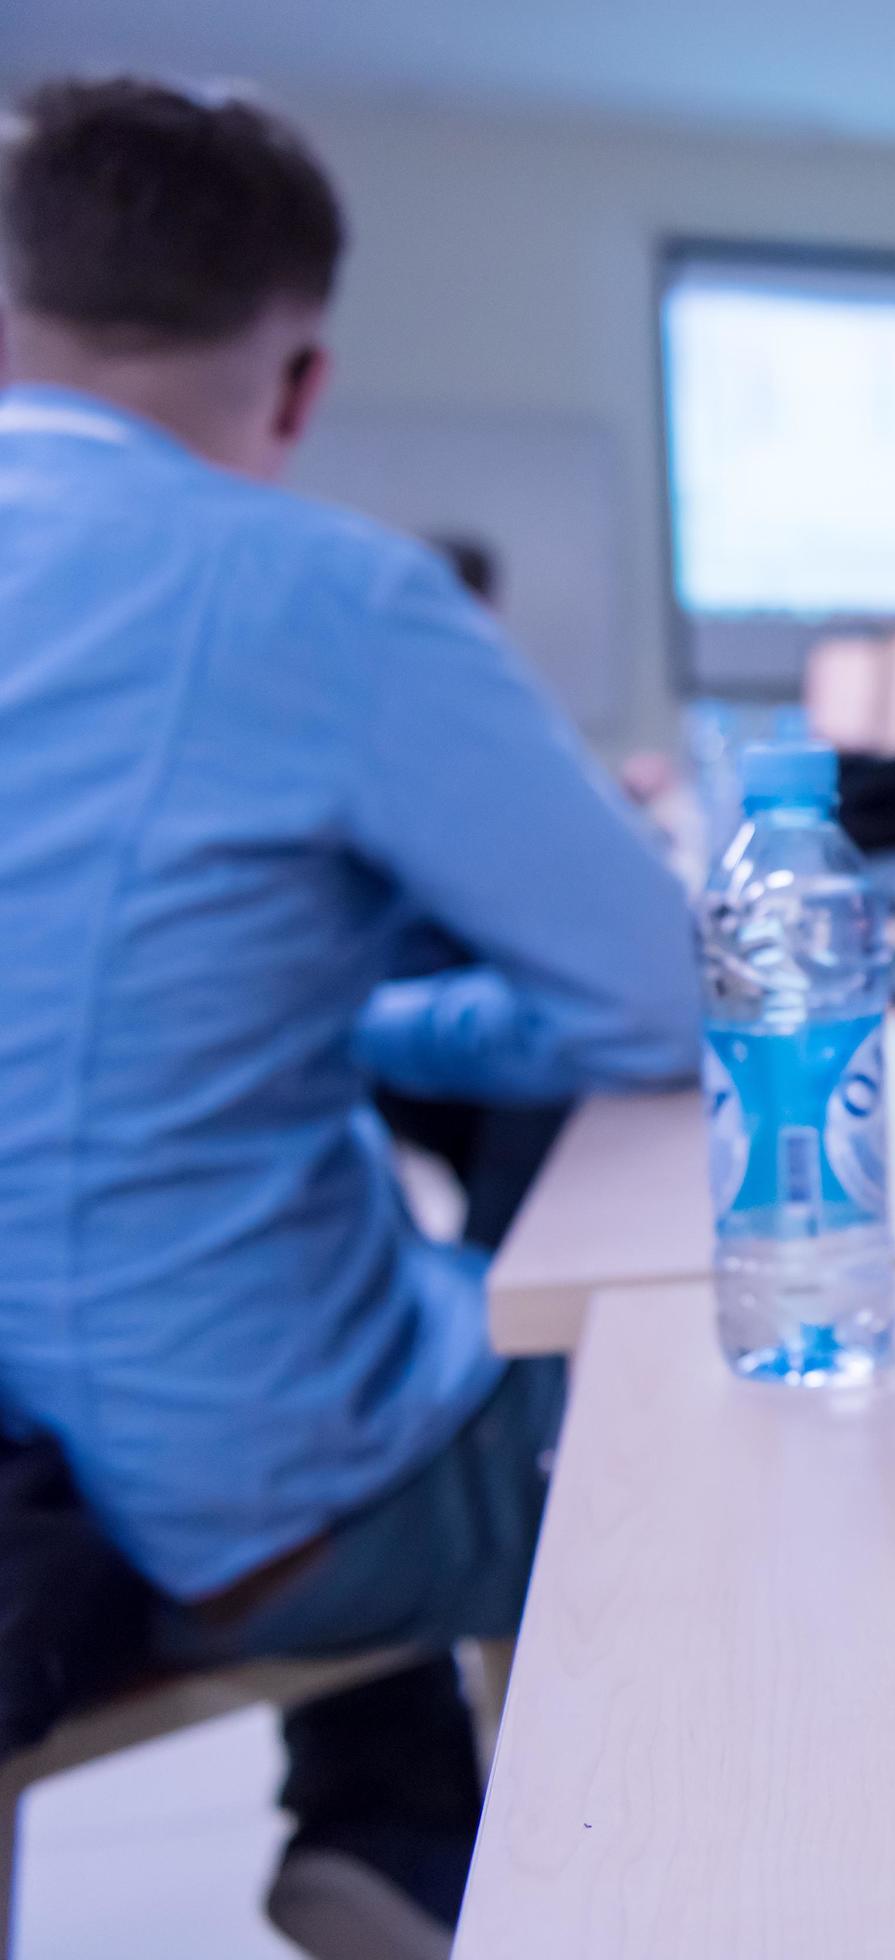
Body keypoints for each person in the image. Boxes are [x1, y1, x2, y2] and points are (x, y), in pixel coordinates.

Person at [0, 78, 701, 1958]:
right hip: (223, 1509)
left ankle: (392, 1832)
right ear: (298, 376)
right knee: (679, 1368)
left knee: (358, 1273)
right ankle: (496, 1862)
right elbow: (659, 1001)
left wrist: (329, 1018)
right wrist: (415, 1027)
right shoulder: (310, 590)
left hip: (37, 1471)